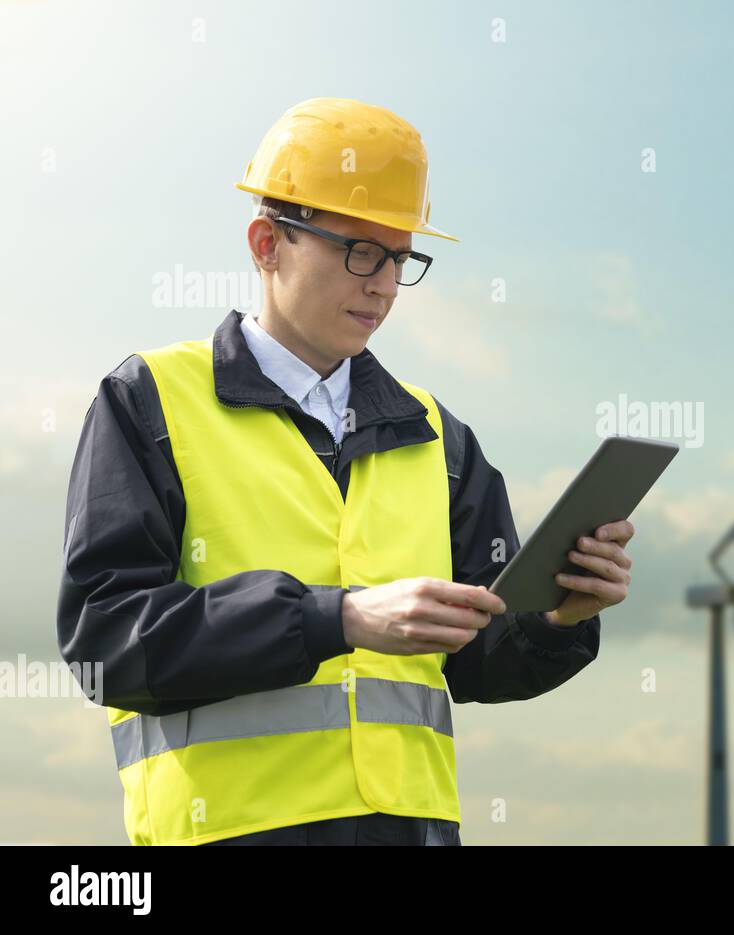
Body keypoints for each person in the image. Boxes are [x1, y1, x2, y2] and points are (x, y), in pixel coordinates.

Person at [56, 97, 635, 846]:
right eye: (361, 251)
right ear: (267, 243)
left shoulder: (438, 437)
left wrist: (562, 617)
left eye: (401, 258)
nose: (384, 284)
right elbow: (106, 639)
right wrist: (335, 618)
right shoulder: (149, 402)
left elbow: (481, 662)